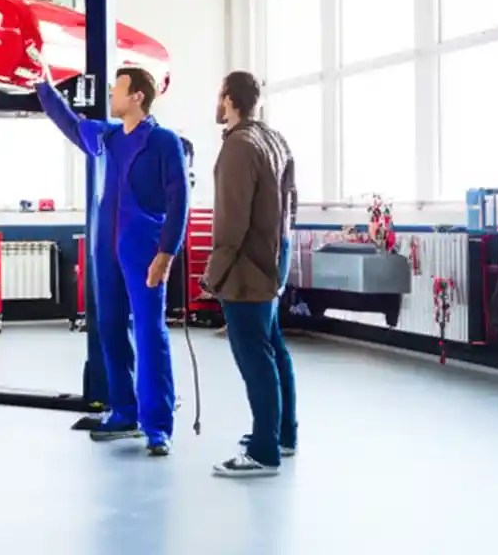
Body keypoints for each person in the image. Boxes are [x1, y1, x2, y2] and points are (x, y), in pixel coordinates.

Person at [31, 47, 189, 456]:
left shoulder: (164, 142)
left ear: (137, 95)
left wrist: (166, 253)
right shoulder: (109, 138)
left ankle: (157, 426)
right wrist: (43, 84)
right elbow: (71, 123)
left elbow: (180, 202)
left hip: (145, 251)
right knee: (110, 329)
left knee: (150, 334)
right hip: (107, 251)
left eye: (118, 89)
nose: (112, 96)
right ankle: (124, 411)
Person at [203, 70, 299, 478]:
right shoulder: (275, 140)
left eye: (219, 94)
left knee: (254, 357)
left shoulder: (238, 147)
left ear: (229, 99)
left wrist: (213, 275)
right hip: (273, 263)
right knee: (274, 350)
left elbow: (231, 223)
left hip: (246, 271)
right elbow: (291, 208)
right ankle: (282, 434)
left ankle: (263, 451)